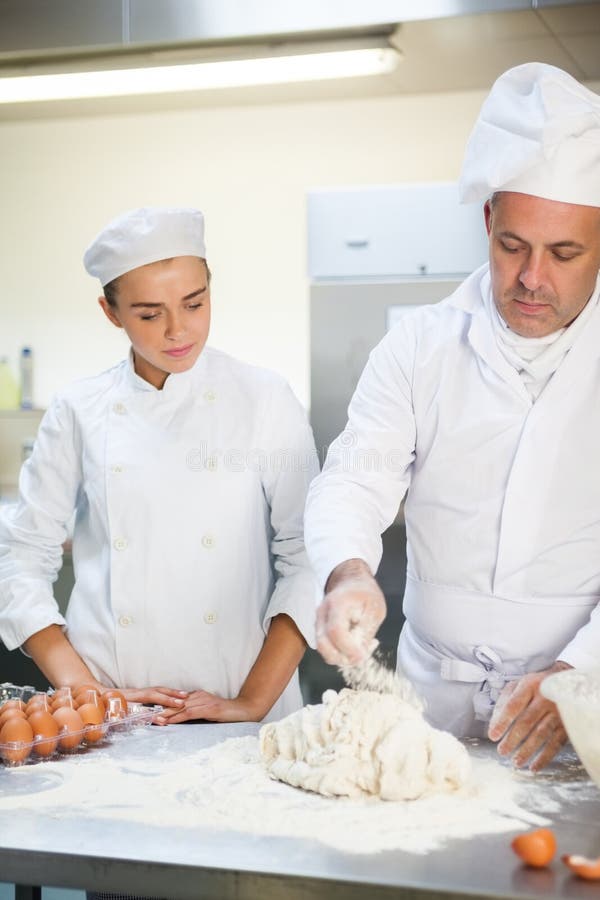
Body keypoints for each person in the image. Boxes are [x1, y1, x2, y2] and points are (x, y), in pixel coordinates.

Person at [304, 62, 600, 771]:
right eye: (513, 246)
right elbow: (355, 477)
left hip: (579, 706)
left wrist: (581, 676)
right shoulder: (421, 344)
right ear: (487, 221)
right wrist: (347, 570)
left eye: (564, 253)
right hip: (429, 709)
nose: (533, 278)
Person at [0, 206, 318, 724]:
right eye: (149, 314)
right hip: (112, 712)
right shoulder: (80, 410)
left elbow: (308, 554)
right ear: (111, 312)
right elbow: (21, 555)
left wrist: (252, 701)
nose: (178, 330)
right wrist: (87, 695)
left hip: (242, 707)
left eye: (194, 303)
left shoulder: (264, 398)